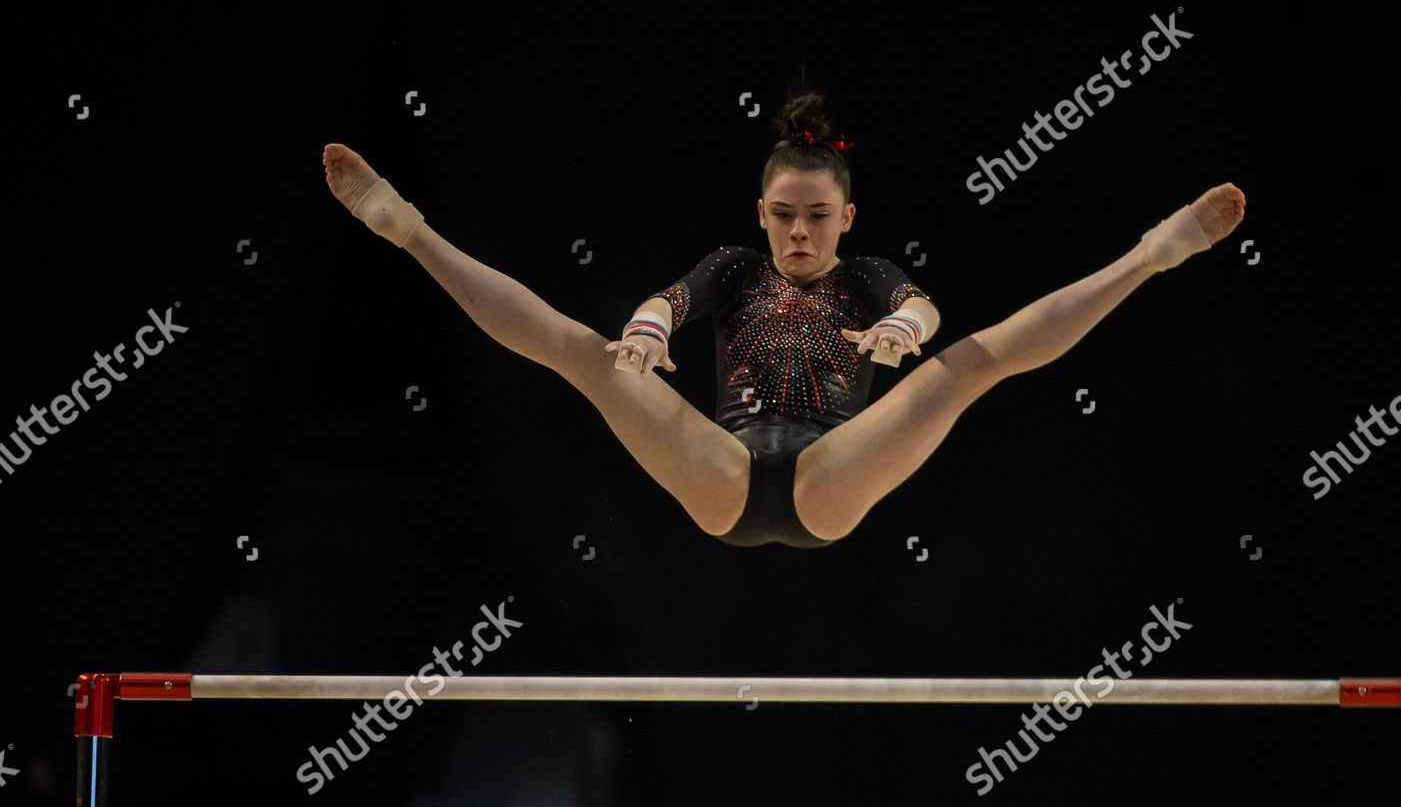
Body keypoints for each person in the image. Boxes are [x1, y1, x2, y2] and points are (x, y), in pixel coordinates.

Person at [322, 91, 1245, 548]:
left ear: (846, 217)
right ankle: (409, 231)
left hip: (827, 478)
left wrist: (907, 334)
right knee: (584, 353)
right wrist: (645, 329)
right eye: (782, 215)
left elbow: (920, 306)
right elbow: (669, 300)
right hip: (721, 471)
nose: (799, 232)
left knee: (969, 365)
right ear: (759, 213)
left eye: (815, 216)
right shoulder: (730, 268)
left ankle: (1147, 255)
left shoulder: (870, 276)